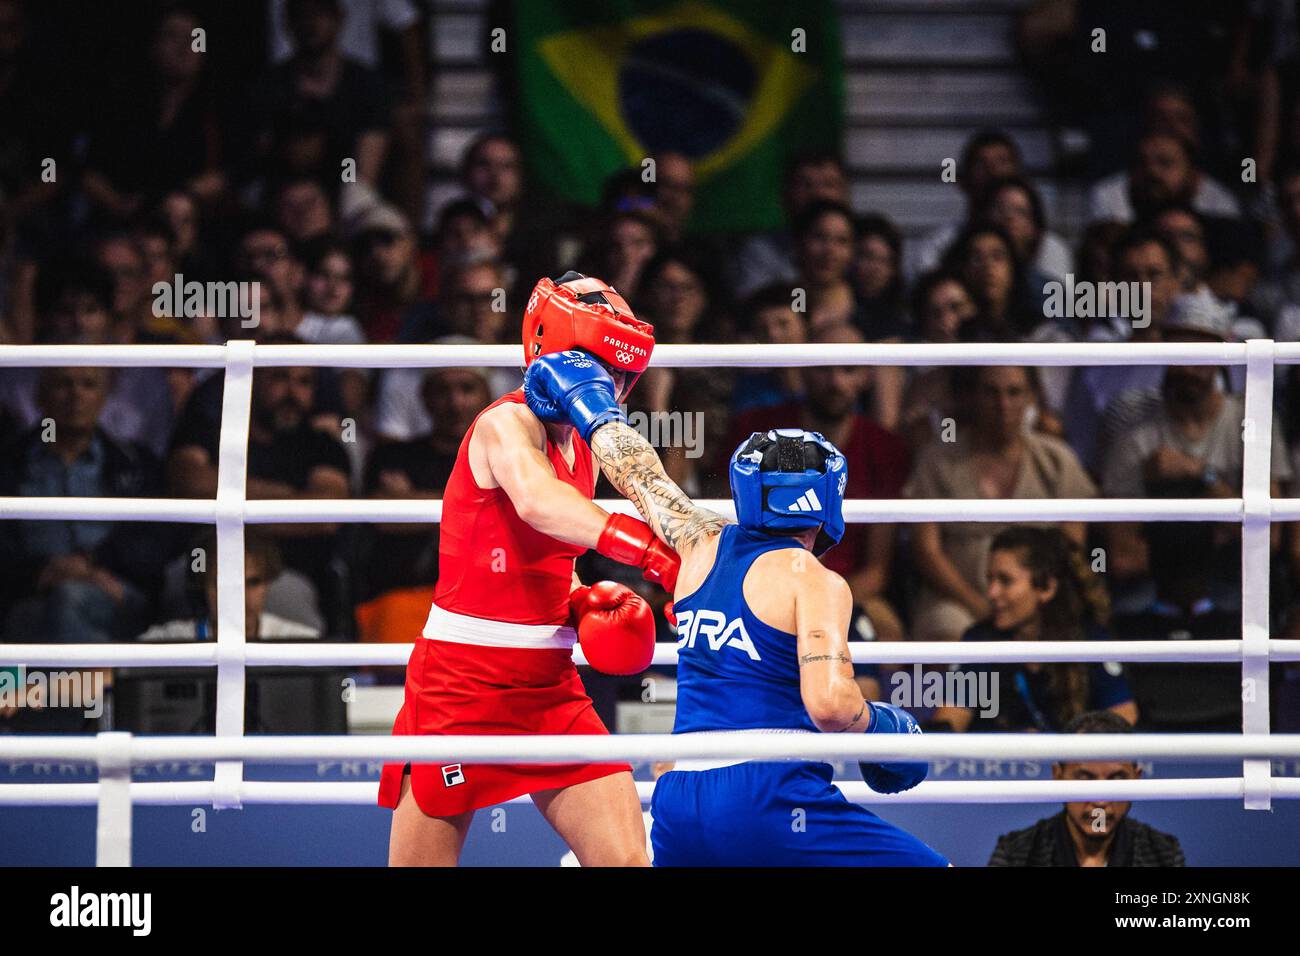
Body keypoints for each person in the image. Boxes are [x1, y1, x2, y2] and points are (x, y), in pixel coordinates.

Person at [380, 272, 679, 867]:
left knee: (626, 861)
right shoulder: (503, 424)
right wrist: (649, 549)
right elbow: (538, 502)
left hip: (549, 685)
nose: (612, 386)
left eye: (622, 374)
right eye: (602, 366)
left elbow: (551, 551)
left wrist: (581, 599)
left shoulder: (586, 446)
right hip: (461, 683)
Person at [640, 429, 946, 866]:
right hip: (770, 796)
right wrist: (889, 729)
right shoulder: (813, 578)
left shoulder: (700, 545)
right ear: (827, 499)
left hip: (677, 798)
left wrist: (588, 404)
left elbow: (642, 475)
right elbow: (830, 705)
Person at [931, 527, 1137, 733]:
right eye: (990, 579)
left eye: (1005, 580)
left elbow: (1124, 716)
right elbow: (947, 724)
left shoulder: (1088, 640)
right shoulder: (979, 641)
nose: (992, 592)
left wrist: (1061, 749)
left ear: (1046, 587)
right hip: (1000, 763)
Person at [988, 710, 1185, 867]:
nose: (1100, 802)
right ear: (1058, 776)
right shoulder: (1016, 854)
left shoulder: (1163, 855)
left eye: (1116, 779)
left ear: (1136, 778)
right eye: (1085, 779)